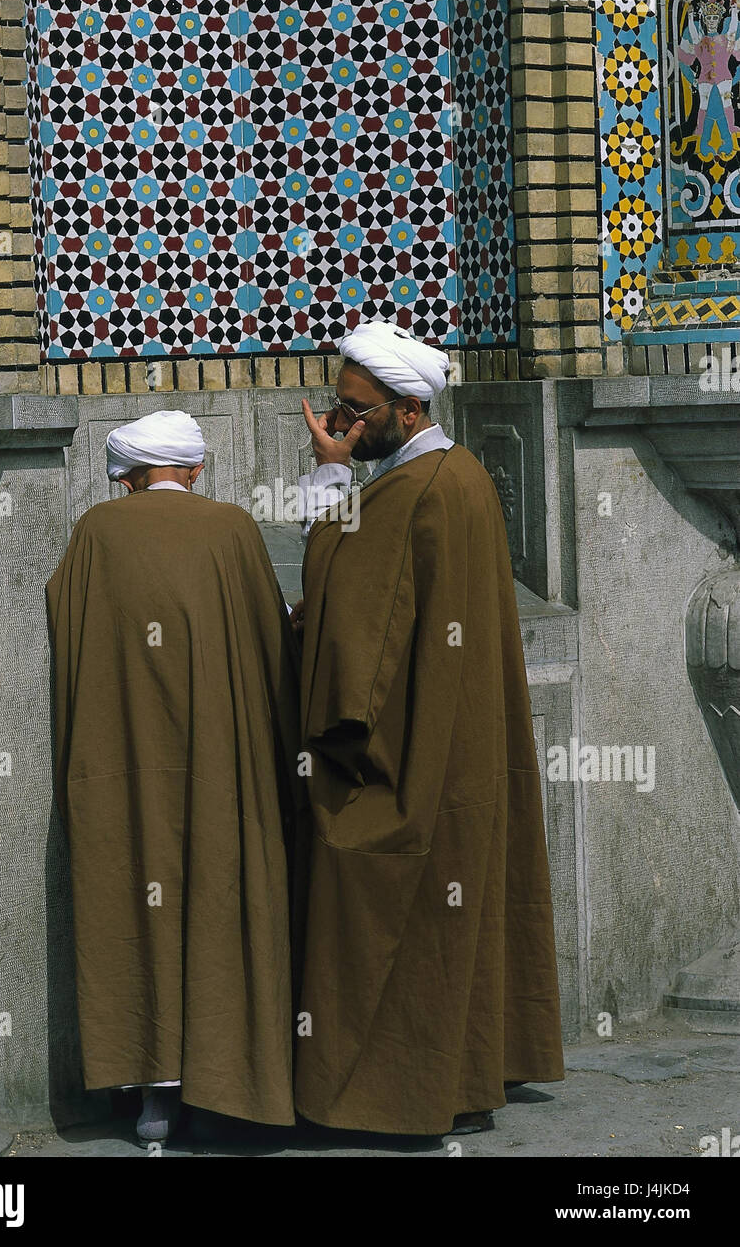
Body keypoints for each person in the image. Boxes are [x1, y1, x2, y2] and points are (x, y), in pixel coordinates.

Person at [290, 321, 565, 1136]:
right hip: (455, 738)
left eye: (354, 410)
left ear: (406, 411)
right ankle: (462, 1074)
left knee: (381, 895)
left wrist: (325, 478)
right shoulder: (465, 476)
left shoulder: (412, 490)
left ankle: (385, 1093)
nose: (340, 424)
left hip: (414, 752)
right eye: (338, 409)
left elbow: (343, 614)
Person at [46, 409, 304, 1147]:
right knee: (224, 904)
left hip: (126, 765)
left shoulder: (98, 531)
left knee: (139, 908)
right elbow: (266, 640)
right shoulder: (230, 529)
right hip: (225, 765)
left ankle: (154, 1096)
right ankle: (234, 1081)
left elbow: (69, 623)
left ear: (126, 476)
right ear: (194, 470)